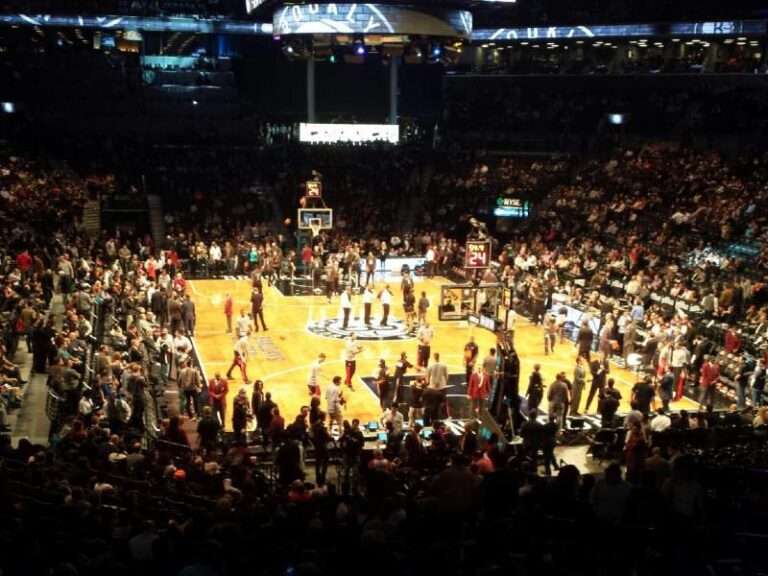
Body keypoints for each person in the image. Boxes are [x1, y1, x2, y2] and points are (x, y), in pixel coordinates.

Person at [425, 352, 449, 424]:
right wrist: (445, 383)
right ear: (439, 357)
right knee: (443, 402)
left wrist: (428, 383)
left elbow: (427, 376)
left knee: (433, 402)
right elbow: (446, 375)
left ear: (434, 357)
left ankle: (434, 417)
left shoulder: (430, 365)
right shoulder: (444, 365)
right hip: (442, 386)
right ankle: (444, 416)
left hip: (432, 387)